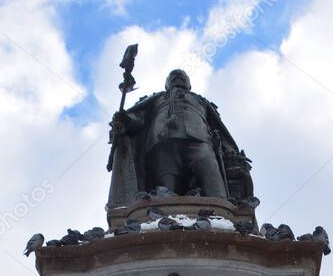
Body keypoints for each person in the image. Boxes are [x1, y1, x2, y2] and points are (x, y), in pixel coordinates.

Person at [108, 69, 253, 204]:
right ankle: (165, 218)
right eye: (173, 76)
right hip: (163, 141)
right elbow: (138, 119)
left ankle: (222, 211)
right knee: (166, 188)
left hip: (200, 140)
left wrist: (230, 151)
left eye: (182, 76)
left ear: (189, 85)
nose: (177, 77)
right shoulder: (155, 99)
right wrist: (126, 120)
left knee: (211, 176)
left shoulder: (201, 101)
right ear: (166, 85)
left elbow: (219, 129)